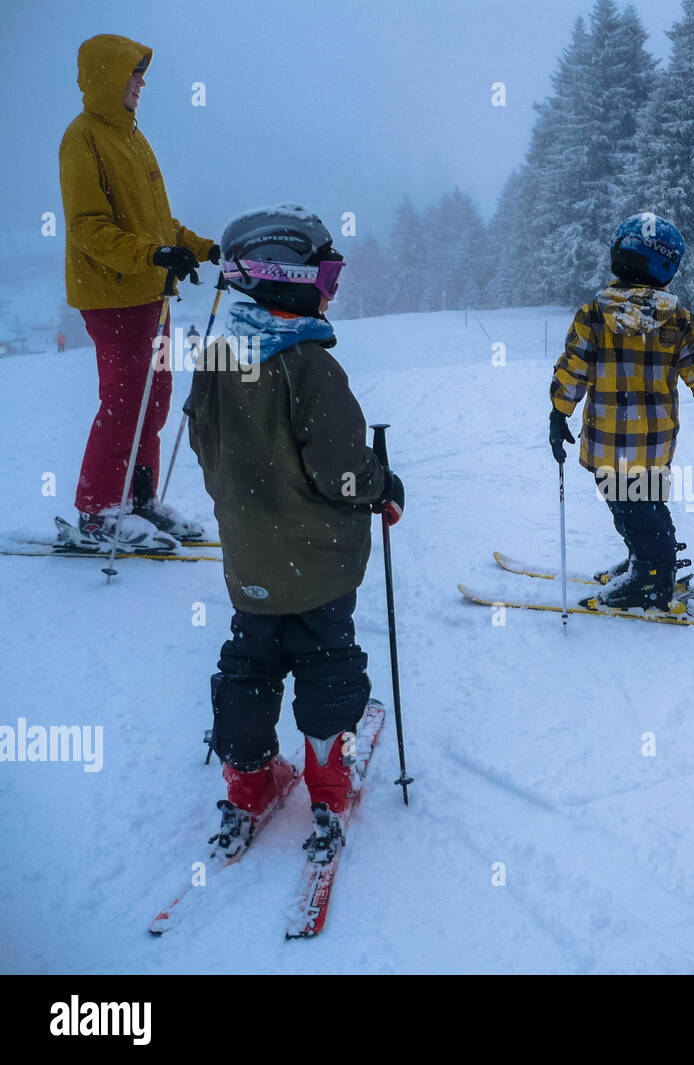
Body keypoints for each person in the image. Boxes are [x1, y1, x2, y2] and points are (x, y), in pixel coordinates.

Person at [185, 204, 404, 853]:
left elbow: (204, 445)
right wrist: (380, 485)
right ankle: (327, 780)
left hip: (251, 566)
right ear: (287, 277)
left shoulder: (218, 358)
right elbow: (340, 468)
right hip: (319, 568)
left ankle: (249, 780)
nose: (330, 290)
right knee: (326, 662)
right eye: (326, 276)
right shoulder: (308, 365)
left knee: (250, 664)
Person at [59, 33, 218, 551]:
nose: (142, 83)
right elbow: (87, 226)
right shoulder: (82, 138)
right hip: (111, 293)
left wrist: (201, 248)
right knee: (125, 400)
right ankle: (97, 513)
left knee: (155, 399)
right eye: (135, 74)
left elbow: (157, 221)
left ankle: (138, 499)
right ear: (110, 76)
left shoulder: (133, 137)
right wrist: (150, 256)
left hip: (152, 293)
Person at [549, 214, 694, 611]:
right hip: (653, 443)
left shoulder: (593, 316)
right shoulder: (680, 321)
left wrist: (559, 411)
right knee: (644, 500)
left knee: (629, 505)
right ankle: (649, 556)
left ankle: (653, 574)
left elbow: (573, 370)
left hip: (606, 441)